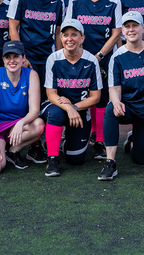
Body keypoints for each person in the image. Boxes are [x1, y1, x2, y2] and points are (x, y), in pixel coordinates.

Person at [65, 0, 123, 159]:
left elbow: (116, 33)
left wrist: (98, 56)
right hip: (80, 57)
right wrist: (81, 55)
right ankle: (83, 134)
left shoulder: (113, 1)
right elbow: (70, 31)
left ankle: (99, 141)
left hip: (103, 58)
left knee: (102, 100)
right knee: (82, 97)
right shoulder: (75, 0)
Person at [98, 11, 144, 180]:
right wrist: (116, 102)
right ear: (122, 31)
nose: (131, 29)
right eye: (127, 26)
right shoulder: (118, 56)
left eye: (135, 25)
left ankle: (132, 139)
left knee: (140, 159)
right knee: (110, 109)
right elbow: (114, 88)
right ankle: (110, 162)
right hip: (128, 108)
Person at [42, 19, 102, 177]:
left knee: (76, 159)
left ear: (82, 38)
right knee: (55, 113)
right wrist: (69, 108)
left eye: (74, 35)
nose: (69, 39)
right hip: (58, 106)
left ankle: (65, 143)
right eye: (65, 35)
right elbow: (51, 94)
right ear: (61, 38)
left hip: (80, 111)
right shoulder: (53, 59)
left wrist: (74, 107)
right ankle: (52, 159)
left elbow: (96, 97)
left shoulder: (91, 61)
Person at [0, 40, 44, 174]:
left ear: (23, 58)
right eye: (8, 57)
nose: (12, 61)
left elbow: (34, 111)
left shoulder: (31, 75)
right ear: (3, 59)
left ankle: (13, 151)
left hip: (16, 126)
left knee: (39, 125)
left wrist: (21, 123)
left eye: (16, 56)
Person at [8, 0, 65, 85]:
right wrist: (21, 57)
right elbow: (13, 28)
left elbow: (58, 33)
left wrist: (58, 58)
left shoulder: (58, 0)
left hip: (48, 56)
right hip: (27, 55)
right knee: (28, 92)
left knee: (46, 93)